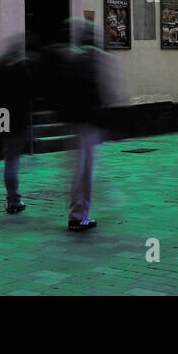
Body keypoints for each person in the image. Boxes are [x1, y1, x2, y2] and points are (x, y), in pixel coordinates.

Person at [49, 18, 107, 232]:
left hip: (75, 121)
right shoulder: (91, 59)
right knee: (84, 170)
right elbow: (94, 91)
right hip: (86, 122)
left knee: (79, 169)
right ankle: (78, 216)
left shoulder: (73, 58)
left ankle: (78, 214)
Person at [0, 33, 35, 214]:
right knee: (13, 157)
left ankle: (12, 197)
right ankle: (14, 199)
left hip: (2, 113)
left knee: (9, 154)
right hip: (18, 115)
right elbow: (29, 92)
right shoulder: (22, 67)